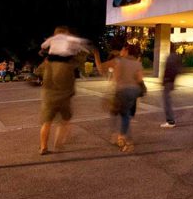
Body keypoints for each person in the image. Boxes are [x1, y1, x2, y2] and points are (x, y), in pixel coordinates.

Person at [38, 27, 96, 155]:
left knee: (46, 122)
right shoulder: (70, 61)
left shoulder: (47, 61)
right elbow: (82, 55)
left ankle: (43, 147)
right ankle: (58, 144)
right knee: (65, 121)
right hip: (65, 96)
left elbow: (38, 72)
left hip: (48, 96)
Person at [101, 44, 144, 152]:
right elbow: (139, 80)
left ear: (126, 50)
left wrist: (97, 55)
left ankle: (123, 138)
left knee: (117, 113)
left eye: (122, 49)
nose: (121, 51)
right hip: (133, 91)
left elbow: (102, 68)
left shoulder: (119, 61)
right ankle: (122, 136)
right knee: (125, 114)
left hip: (122, 91)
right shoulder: (137, 63)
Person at [160, 44, 181, 128]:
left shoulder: (171, 57)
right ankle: (170, 120)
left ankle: (170, 121)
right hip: (171, 81)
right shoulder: (176, 57)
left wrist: (165, 80)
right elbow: (180, 70)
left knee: (166, 102)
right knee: (167, 101)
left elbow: (168, 70)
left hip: (168, 81)